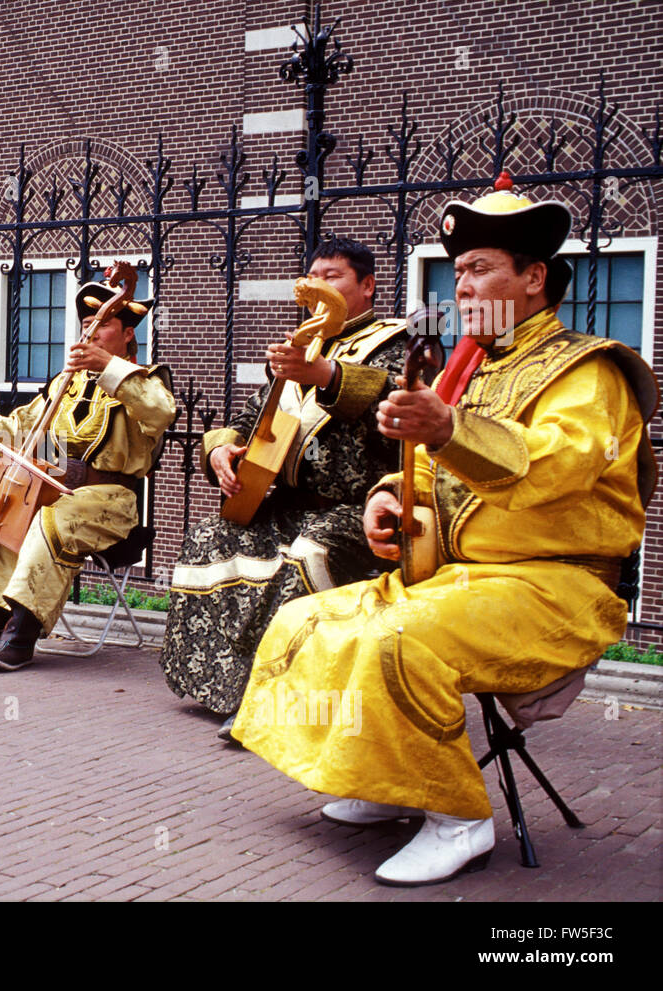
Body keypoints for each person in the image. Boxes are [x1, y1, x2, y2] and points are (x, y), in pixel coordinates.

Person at [230, 179, 657, 886]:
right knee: (305, 618)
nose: (461, 285)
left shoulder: (589, 370)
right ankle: (386, 776)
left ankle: (459, 817)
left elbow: (560, 465)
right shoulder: (475, 369)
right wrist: (387, 495)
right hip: (463, 578)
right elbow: (422, 471)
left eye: (479, 267)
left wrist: (451, 427)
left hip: (556, 587)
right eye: (456, 272)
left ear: (533, 276)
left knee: (398, 640)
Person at [160, 240, 407, 738]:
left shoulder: (395, 342)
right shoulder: (302, 346)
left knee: (306, 556)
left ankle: (271, 700)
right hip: (287, 503)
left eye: (332, 276)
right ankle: (225, 685)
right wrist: (221, 451)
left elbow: (400, 395)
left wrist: (328, 376)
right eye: (311, 275)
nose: (318, 285)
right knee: (209, 538)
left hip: (356, 510)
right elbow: (249, 418)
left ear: (367, 286)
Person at [0, 277, 177, 671]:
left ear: (128, 334)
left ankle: (22, 630)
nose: (90, 330)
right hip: (54, 488)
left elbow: (162, 413)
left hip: (111, 500)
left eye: (103, 323)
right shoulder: (65, 383)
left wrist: (109, 367)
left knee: (50, 522)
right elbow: (23, 431)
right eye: (86, 322)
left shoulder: (145, 381)